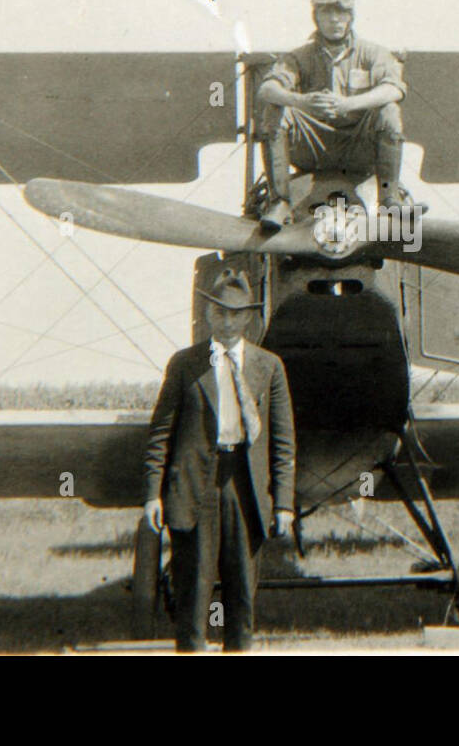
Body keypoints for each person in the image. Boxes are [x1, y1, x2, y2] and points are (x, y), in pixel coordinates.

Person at [142, 270, 296, 652]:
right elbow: (160, 434)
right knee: (193, 592)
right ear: (209, 314)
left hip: (245, 486)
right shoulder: (184, 364)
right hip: (195, 486)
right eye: (221, 312)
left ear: (248, 317)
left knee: (241, 593)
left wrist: (284, 504)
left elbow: (283, 441)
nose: (228, 322)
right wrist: (152, 495)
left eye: (237, 313)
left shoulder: (269, 367)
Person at [255, 0, 411, 231]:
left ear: (351, 17)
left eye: (341, 13)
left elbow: (393, 88)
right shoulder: (299, 56)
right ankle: (280, 200)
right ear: (316, 17)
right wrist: (302, 101)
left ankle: (389, 198)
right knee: (276, 109)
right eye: (327, 12)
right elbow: (267, 89)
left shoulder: (373, 53)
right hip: (313, 145)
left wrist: (347, 104)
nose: (335, 19)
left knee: (389, 111)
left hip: (358, 144)